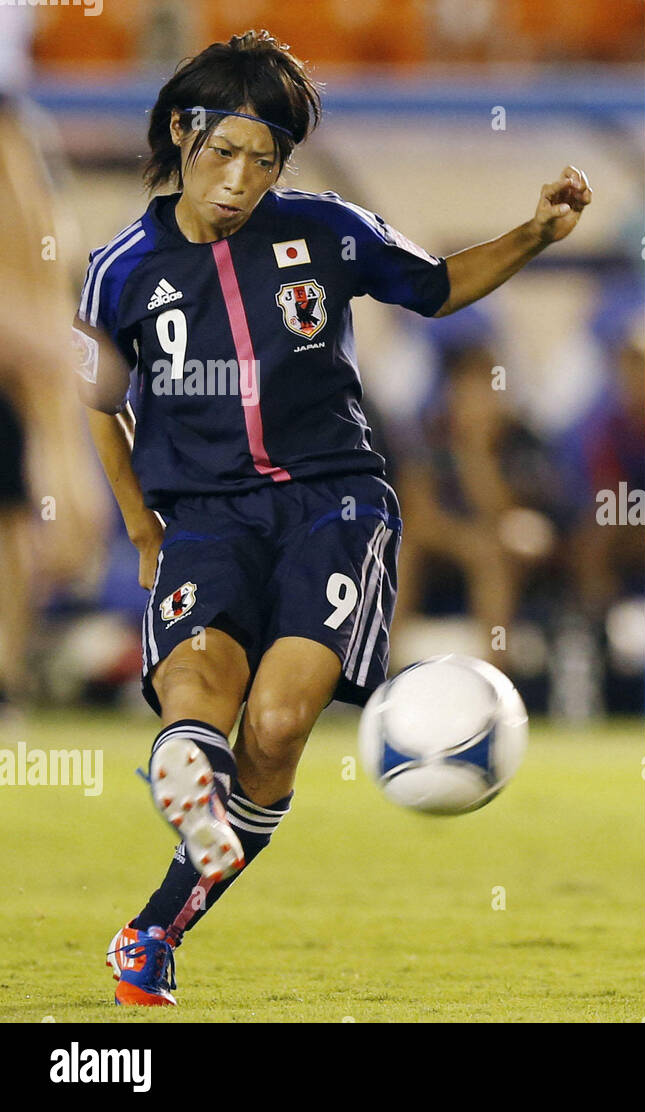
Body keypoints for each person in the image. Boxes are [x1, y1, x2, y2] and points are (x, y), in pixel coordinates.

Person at [76, 30, 591, 1006]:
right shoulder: (118, 272)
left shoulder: (326, 231)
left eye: (262, 160)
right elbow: (100, 404)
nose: (239, 180)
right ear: (183, 134)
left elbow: (435, 287)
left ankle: (156, 920)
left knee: (272, 728)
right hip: (205, 513)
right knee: (199, 680)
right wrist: (144, 532)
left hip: (336, 503)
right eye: (223, 152)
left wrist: (533, 234)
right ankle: (188, 783)